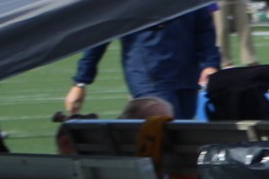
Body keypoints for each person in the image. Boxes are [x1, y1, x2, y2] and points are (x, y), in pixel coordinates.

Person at [67, 7, 220, 122]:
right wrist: (81, 81)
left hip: (186, 77)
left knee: (181, 132)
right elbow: (102, 34)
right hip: (151, 77)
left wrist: (210, 63)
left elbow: (204, 27)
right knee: (165, 134)